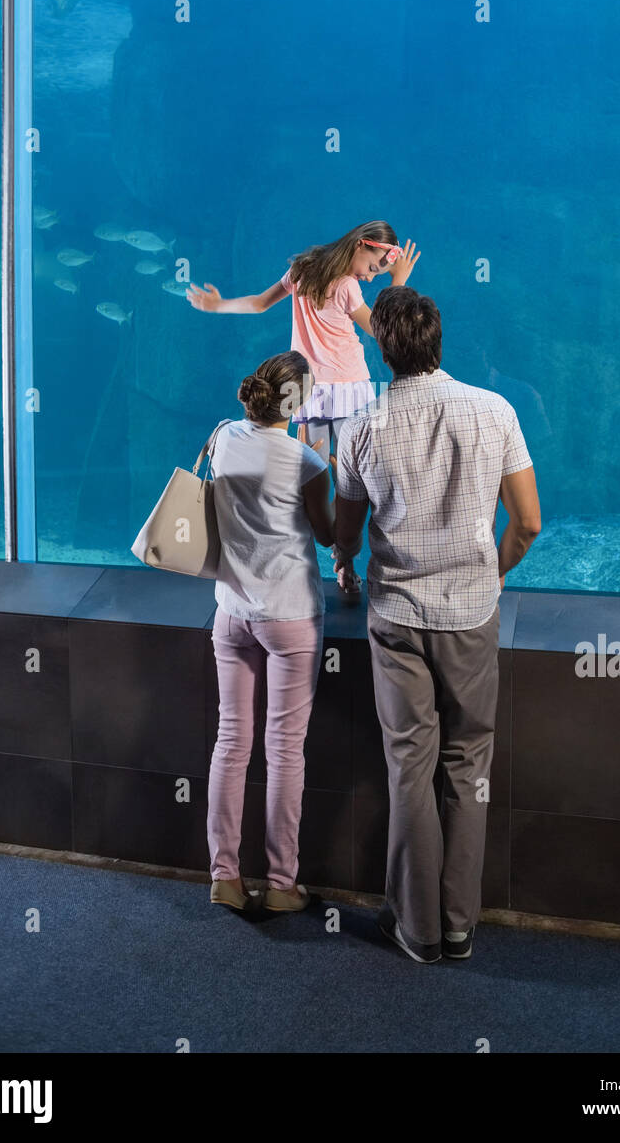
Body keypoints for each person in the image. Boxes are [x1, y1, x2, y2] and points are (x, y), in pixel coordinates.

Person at [334, 286, 541, 964]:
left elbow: (346, 531)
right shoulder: (495, 410)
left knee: (408, 768)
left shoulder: (360, 426)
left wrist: (343, 564)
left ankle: (417, 930)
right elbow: (529, 522)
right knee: (466, 765)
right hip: (471, 614)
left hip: (394, 615)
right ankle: (458, 925)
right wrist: (496, 573)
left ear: (381, 345)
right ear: (439, 340)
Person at [186, 221, 421, 592]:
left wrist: (218, 306)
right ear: (361, 245)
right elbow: (380, 328)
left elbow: (260, 304)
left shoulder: (301, 269)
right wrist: (400, 281)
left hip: (306, 392)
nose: (372, 278)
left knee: (317, 476)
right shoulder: (346, 286)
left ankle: (324, 558)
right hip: (350, 391)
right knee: (357, 479)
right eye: (375, 267)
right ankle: (348, 560)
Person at [206, 351, 334, 915]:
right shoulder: (306, 462)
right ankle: (282, 884)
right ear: (300, 402)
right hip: (289, 615)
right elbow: (329, 535)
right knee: (284, 751)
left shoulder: (222, 436)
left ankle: (224, 877)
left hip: (231, 612)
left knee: (230, 743)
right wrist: (322, 458)